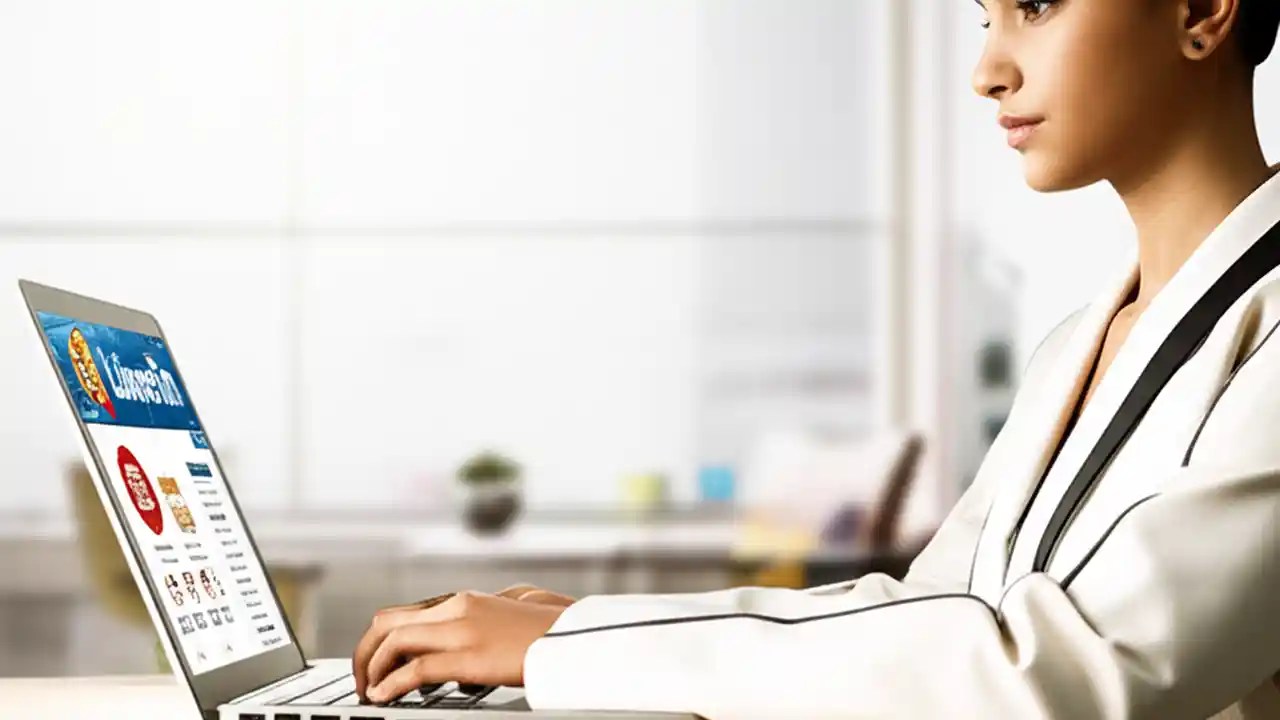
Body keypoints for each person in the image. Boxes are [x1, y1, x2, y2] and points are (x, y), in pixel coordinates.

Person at [352, 0, 1280, 716]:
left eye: (1036, 7)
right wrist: (593, 629)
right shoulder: (1073, 349)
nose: (988, 70)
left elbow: (1066, 679)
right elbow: (929, 620)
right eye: (985, 17)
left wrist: (578, 643)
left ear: (1201, 11)